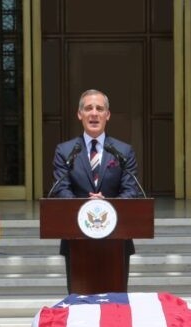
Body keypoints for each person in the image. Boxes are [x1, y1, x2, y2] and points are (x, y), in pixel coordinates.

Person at [50, 89, 141, 292]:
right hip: (77, 240)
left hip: (116, 240)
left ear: (107, 115)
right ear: (79, 114)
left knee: (115, 303)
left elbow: (131, 190)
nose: (94, 113)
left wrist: (106, 205)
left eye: (99, 109)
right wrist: (86, 207)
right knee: (80, 302)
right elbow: (61, 189)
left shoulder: (123, 151)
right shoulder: (65, 151)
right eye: (88, 108)